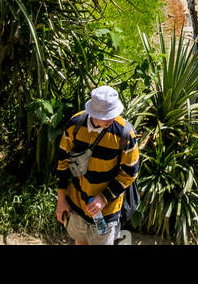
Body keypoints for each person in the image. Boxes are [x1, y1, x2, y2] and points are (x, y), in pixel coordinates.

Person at [56, 85, 140, 247]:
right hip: (77, 203)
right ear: (93, 112)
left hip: (107, 210)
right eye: (105, 115)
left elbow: (130, 173)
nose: (110, 119)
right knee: (80, 241)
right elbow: (63, 162)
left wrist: (104, 198)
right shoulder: (75, 126)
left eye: (113, 114)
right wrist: (61, 199)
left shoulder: (125, 134)